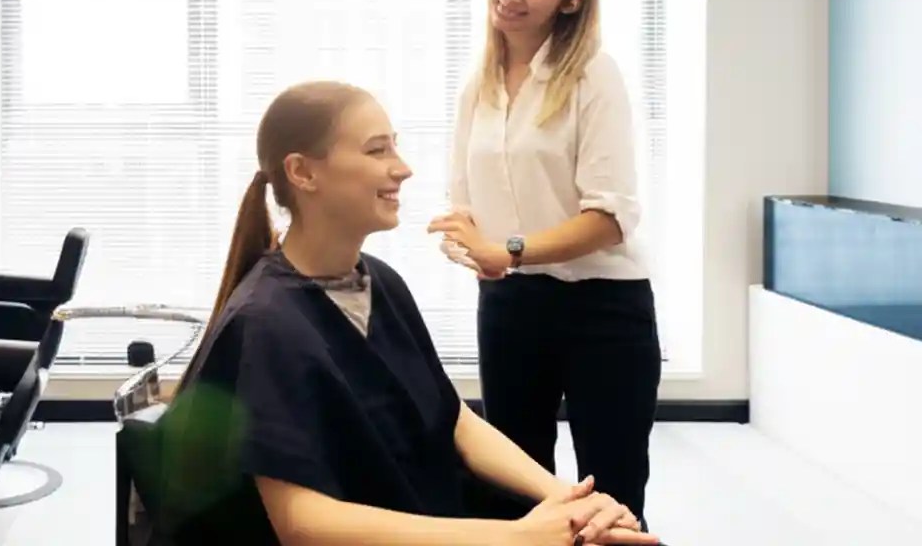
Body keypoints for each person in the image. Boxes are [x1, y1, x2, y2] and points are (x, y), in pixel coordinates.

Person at [157, 81, 660, 545]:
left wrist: (565, 499)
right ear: (303, 172)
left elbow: (450, 417)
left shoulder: (380, 284)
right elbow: (301, 522)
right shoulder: (267, 322)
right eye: (378, 150)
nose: (403, 167)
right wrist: (515, 538)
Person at [428, 0, 662, 529]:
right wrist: (469, 247)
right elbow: (464, 205)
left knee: (610, 495)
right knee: (511, 485)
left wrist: (506, 249)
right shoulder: (476, 87)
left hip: (603, 309)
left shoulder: (592, 75)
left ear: (571, 1)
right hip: (509, 305)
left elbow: (611, 217)